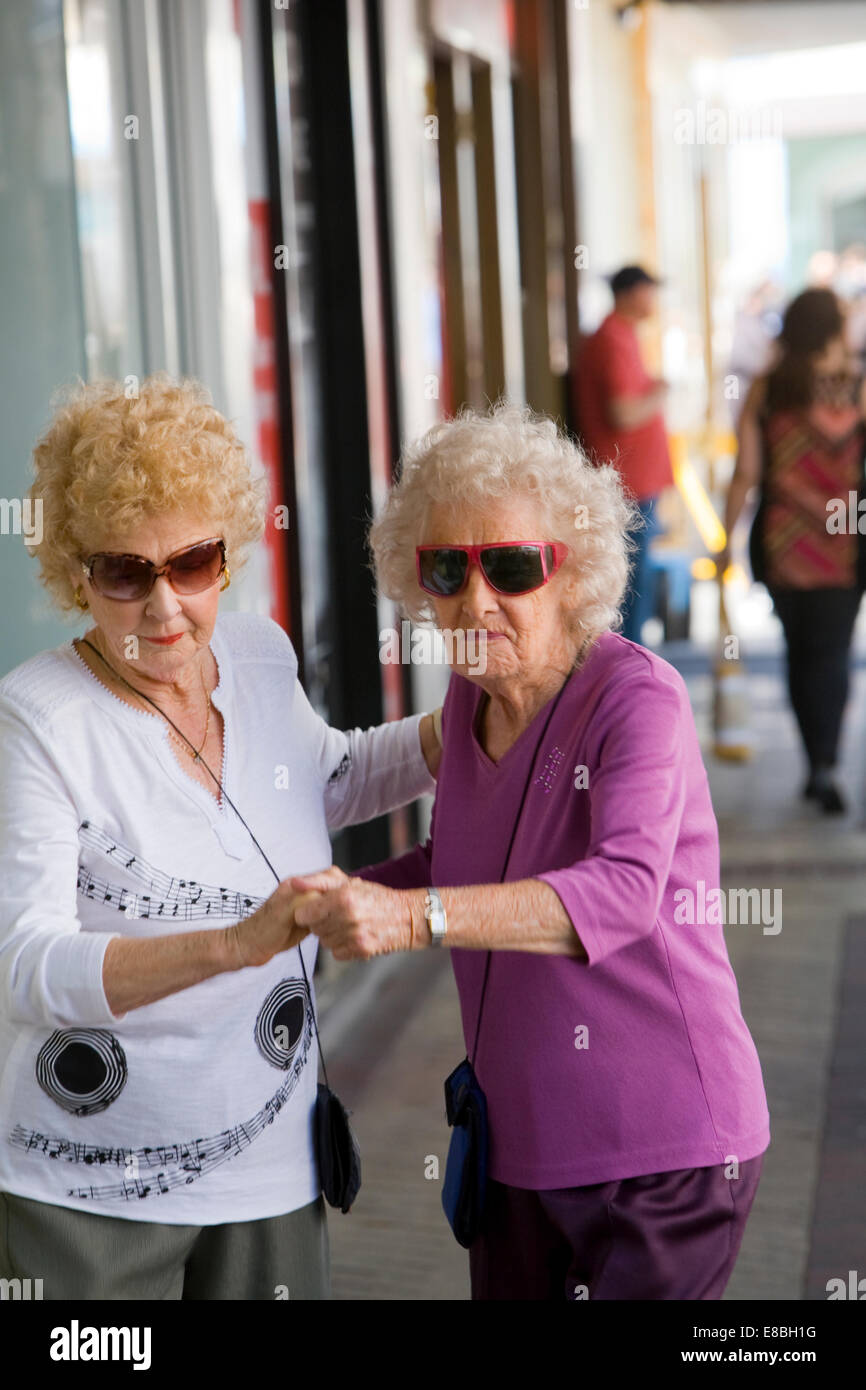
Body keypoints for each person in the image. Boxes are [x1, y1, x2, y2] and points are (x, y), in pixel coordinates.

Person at [288, 402, 770, 1302]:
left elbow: (621, 894)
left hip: (663, 1156)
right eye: (446, 569)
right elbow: (458, 860)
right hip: (520, 1150)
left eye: (511, 567)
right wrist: (326, 899)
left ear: (571, 569)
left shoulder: (637, 700)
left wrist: (411, 919)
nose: (477, 601)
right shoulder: (471, 702)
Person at [0, 374, 441, 1300]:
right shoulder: (34, 718)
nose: (166, 610)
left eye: (193, 563)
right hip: (90, 1199)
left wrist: (478, 720)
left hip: (267, 1168)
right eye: (125, 573)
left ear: (229, 555)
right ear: (75, 571)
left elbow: (334, 777)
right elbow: (25, 963)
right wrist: (236, 945)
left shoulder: (256, 653)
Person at [718, 288, 866, 814]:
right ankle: (824, 762)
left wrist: (724, 541)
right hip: (847, 545)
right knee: (833, 654)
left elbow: (746, 474)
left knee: (800, 653)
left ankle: (815, 760)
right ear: (829, 330)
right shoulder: (857, 387)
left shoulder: (769, 388)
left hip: (784, 546)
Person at [574, 265, 674, 644]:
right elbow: (623, 413)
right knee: (629, 587)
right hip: (625, 484)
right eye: (650, 291)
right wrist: (660, 391)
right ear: (632, 293)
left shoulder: (623, 336)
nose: (654, 300)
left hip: (637, 481)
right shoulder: (611, 338)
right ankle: (629, 671)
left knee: (635, 581)